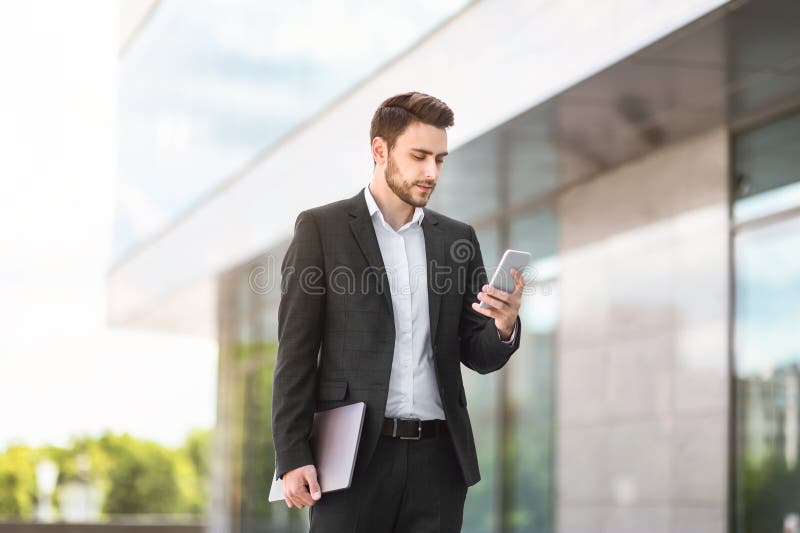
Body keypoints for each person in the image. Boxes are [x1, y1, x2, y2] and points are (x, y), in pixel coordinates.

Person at [271, 91, 524, 532]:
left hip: (438, 464)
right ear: (380, 150)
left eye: (440, 160)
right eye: (419, 156)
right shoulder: (322, 230)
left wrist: (503, 325)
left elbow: (477, 352)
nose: (432, 173)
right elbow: (295, 353)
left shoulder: (456, 239)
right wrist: (292, 454)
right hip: (351, 463)